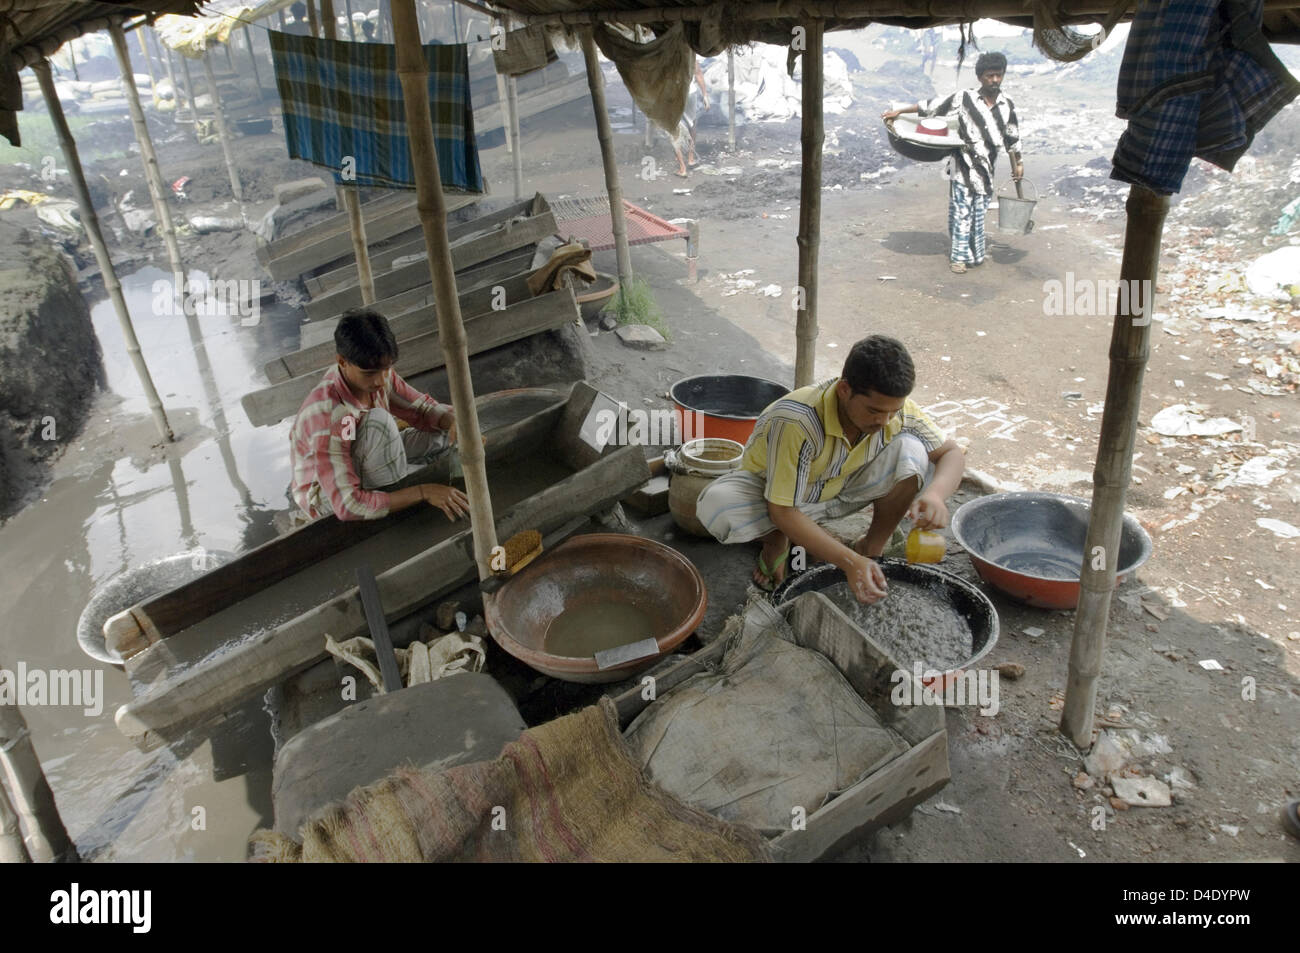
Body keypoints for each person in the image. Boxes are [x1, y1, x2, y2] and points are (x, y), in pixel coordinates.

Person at [695, 335, 965, 602]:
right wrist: (848, 562)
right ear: (844, 389)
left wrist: (936, 495)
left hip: (840, 486)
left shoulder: (896, 411)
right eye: (874, 411)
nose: (884, 420)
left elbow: (951, 453)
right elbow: (782, 510)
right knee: (718, 506)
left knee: (913, 451)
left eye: (892, 412)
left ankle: (870, 550)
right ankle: (777, 539)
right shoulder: (798, 421)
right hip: (773, 493)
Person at [289, 310, 469, 522]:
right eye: (370, 373)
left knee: (443, 432)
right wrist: (423, 491)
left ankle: (410, 476)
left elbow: (424, 409)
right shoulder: (330, 414)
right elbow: (347, 505)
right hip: (327, 496)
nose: (381, 381)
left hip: (366, 454)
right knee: (380, 423)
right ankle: (405, 494)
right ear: (342, 361)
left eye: (386, 369)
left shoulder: (380, 373)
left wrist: (453, 422)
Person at [882, 52, 1024, 274]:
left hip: (987, 169)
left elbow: (1013, 137)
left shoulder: (1007, 106)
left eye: (999, 75)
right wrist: (900, 111)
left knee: (979, 211)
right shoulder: (964, 99)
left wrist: (1018, 163)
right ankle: (958, 258)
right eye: (990, 75)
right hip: (963, 165)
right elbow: (931, 106)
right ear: (980, 77)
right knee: (961, 211)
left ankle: (975, 254)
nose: (995, 80)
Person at [672, 62, 710, 177]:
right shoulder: (690, 52)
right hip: (690, 93)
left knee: (673, 129)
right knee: (692, 125)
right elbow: (698, 73)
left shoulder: (666, 51)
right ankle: (691, 158)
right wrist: (705, 96)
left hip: (674, 94)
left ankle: (682, 168)